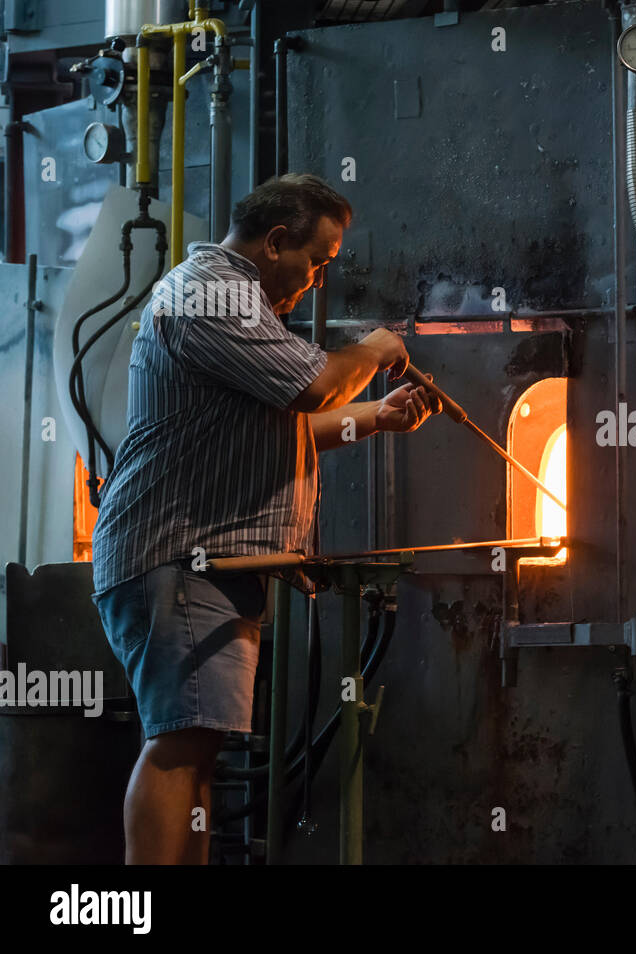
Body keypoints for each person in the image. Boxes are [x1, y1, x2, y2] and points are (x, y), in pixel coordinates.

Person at [91, 173, 438, 864]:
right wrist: (376, 348)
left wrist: (379, 416)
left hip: (202, 561)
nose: (314, 281)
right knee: (180, 744)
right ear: (276, 240)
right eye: (315, 262)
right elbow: (314, 386)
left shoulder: (235, 301)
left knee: (195, 747)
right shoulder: (209, 294)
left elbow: (288, 424)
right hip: (177, 554)